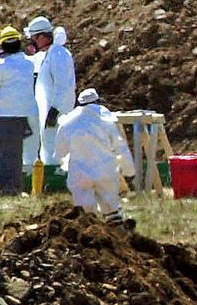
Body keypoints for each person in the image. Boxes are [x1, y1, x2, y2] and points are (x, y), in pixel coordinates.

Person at [52, 88, 136, 225]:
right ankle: (117, 231)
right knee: (111, 207)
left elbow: (60, 152)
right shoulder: (106, 119)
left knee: (85, 211)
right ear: (97, 101)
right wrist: (129, 170)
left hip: (80, 173)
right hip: (106, 170)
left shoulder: (67, 122)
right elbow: (120, 147)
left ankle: (88, 233)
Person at [0, 26, 42, 171]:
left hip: (7, 117)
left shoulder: (1, 66)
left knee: (9, 153)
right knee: (30, 153)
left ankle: (11, 182)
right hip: (30, 114)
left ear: (2, 45)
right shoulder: (29, 63)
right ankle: (32, 182)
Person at [25, 16, 77, 167]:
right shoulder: (49, 54)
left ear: (42, 36)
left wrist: (55, 110)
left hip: (57, 112)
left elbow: (64, 86)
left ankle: (58, 176)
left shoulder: (58, 54)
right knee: (49, 145)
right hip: (49, 111)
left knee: (57, 146)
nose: (32, 43)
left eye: (34, 38)